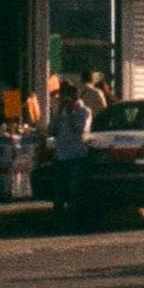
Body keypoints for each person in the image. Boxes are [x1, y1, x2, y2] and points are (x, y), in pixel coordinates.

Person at [45, 81, 94, 227]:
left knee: (74, 191)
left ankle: (73, 221)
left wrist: (72, 113)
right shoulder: (61, 113)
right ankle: (58, 220)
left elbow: (79, 129)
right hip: (61, 156)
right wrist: (59, 114)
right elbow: (51, 130)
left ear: (75, 97)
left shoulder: (84, 111)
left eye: (68, 97)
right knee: (59, 191)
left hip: (77, 156)